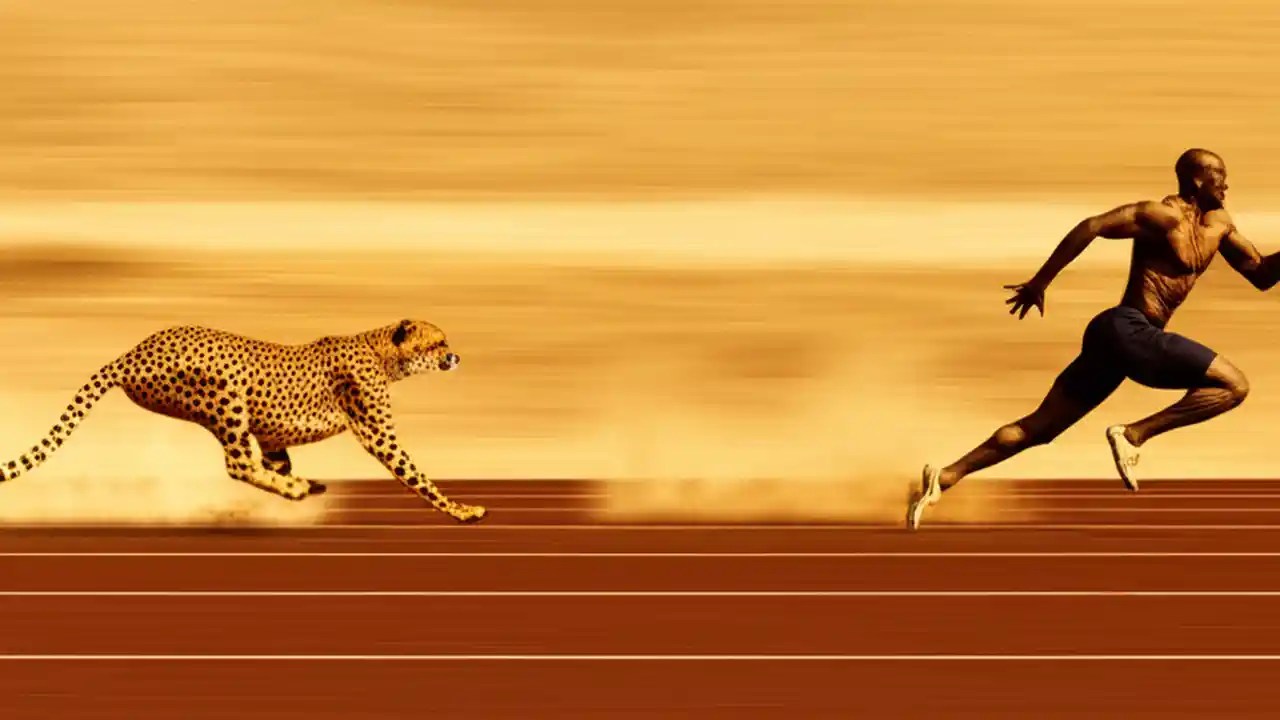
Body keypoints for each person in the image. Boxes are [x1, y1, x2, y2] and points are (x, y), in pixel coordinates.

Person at [908, 148, 1280, 530]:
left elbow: (1263, 274)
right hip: (1127, 327)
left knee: (1041, 427)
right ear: (1198, 180)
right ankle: (1134, 435)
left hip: (1119, 340)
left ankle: (945, 477)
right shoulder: (1161, 215)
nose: (1227, 184)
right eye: (1220, 176)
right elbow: (1093, 226)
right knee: (1233, 385)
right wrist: (1041, 282)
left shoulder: (1220, 225)